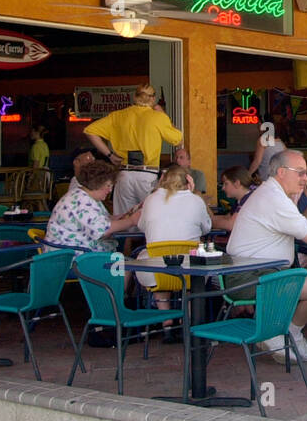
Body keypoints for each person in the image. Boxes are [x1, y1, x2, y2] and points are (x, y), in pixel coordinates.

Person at [225, 149, 307, 362]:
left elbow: (303, 225)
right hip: (247, 275)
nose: (305, 178)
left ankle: (284, 335)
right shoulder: (273, 198)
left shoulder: (273, 193)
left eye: (306, 173)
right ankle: (283, 335)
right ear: (281, 172)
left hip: (256, 271)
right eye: (300, 172)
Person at [83, 82, 184, 216]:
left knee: (124, 219)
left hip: (124, 174)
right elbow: (178, 140)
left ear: (135, 97)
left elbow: (89, 131)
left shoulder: (118, 116)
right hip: (147, 175)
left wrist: (110, 155)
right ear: (153, 98)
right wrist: (163, 114)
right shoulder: (158, 117)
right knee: (150, 217)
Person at [135, 164, 212, 301]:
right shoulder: (196, 200)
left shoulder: (151, 199)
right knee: (195, 265)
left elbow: (142, 227)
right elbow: (207, 229)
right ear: (189, 181)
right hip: (191, 272)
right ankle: (190, 313)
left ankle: (165, 317)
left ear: (162, 179)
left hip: (154, 274)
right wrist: (193, 193)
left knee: (155, 259)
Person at [44, 159, 141, 252]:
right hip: (72, 259)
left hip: (75, 253)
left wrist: (121, 217)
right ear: (98, 184)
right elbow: (103, 230)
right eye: (108, 185)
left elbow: (99, 220)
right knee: (128, 266)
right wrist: (131, 221)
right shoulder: (81, 201)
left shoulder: (84, 196)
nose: (110, 190)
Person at [210, 165, 256, 232]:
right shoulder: (240, 199)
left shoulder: (249, 198)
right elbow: (227, 217)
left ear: (237, 183)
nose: (223, 188)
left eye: (226, 184)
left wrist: (207, 224)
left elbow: (231, 225)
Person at [248, 116, 288, 182]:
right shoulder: (280, 141)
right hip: (280, 177)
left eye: (259, 124)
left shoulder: (262, 140)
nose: (258, 126)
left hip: (266, 176)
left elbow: (257, 161)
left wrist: (247, 175)